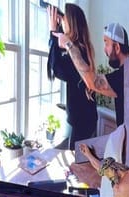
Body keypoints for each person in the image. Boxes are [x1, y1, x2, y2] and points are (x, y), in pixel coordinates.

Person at [61, 22, 129, 126]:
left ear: (117, 47)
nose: (105, 50)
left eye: (106, 44)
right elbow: (105, 81)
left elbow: (92, 81)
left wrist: (69, 45)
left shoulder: (128, 75)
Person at [47, 4, 98, 147]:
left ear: (72, 23)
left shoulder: (77, 51)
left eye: (65, 19)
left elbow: (57, 69)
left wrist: (52, 31)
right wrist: (56, 32)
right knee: (79, 160)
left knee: (76, 163)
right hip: (86, 118)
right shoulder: (81, 48)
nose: (62, 22)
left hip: (82, 120)